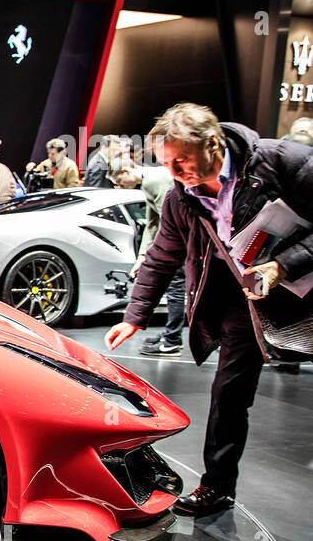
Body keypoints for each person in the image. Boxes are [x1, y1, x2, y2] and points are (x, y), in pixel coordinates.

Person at [106, 102, 313, 516]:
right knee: (229, 393)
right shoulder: (180, 198)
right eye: (167, 163)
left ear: (213, 144)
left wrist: (282, 264)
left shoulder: (285, 163)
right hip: (245, 299)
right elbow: (162, 256)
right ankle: (217, 486)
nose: (175, 171)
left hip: (303, 287)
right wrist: (134, 315)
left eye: (181, 159)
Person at [113, 161, 186, 356]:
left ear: (128, 170)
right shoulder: (149, 182)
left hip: (179, 245)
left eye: (120, 182)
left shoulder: (155, 179)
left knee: (176, 290)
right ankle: (171, 335)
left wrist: (161, 253)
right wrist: (142, 257)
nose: (121, 187)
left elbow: (169, 221)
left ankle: (172, 340)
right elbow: (152, 223)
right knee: (175, 290)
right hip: (176, 243)